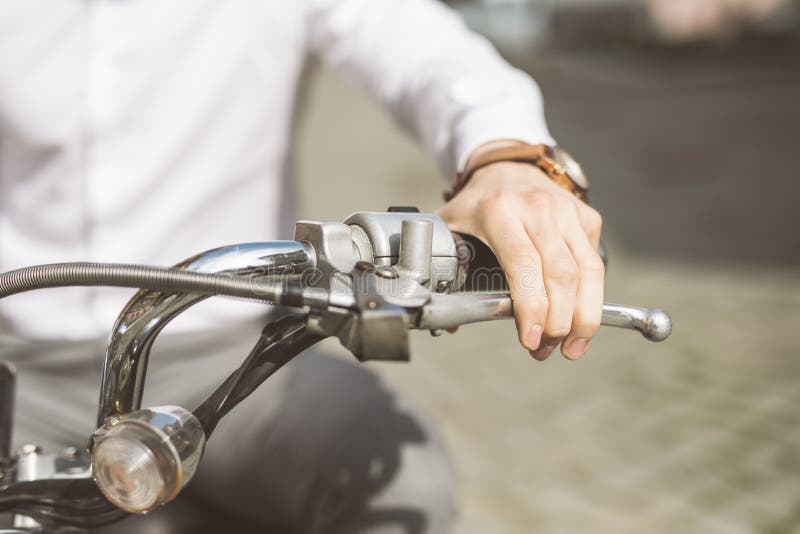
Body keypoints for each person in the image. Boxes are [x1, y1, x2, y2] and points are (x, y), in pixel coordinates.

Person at [0, 1, 604, 532]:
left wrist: (507, 159)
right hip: (19, 358)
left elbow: (424, 51)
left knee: (404, 477)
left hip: (233, 360)